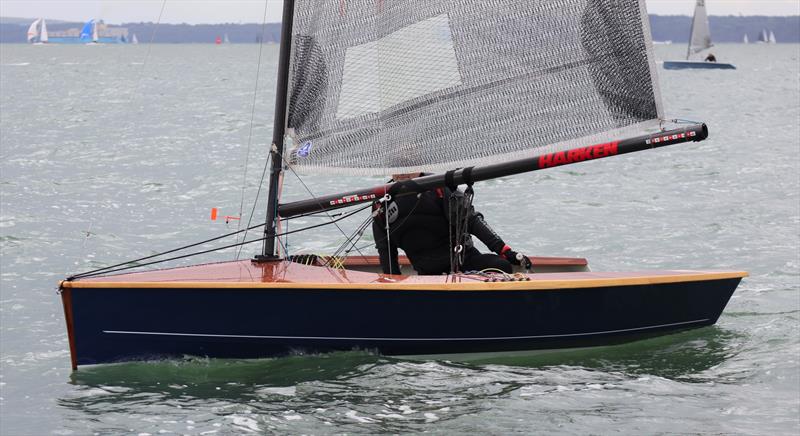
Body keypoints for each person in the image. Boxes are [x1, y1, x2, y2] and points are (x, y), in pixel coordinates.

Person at [372, 173, 530, 275]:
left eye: (408, 164)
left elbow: (472, 221)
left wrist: (504, 250)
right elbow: (387, 255)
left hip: (464, 261)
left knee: (502, 267)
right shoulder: (381, 204)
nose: (403, 171)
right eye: (398, 166)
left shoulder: (438, 186)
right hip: (428, 275)